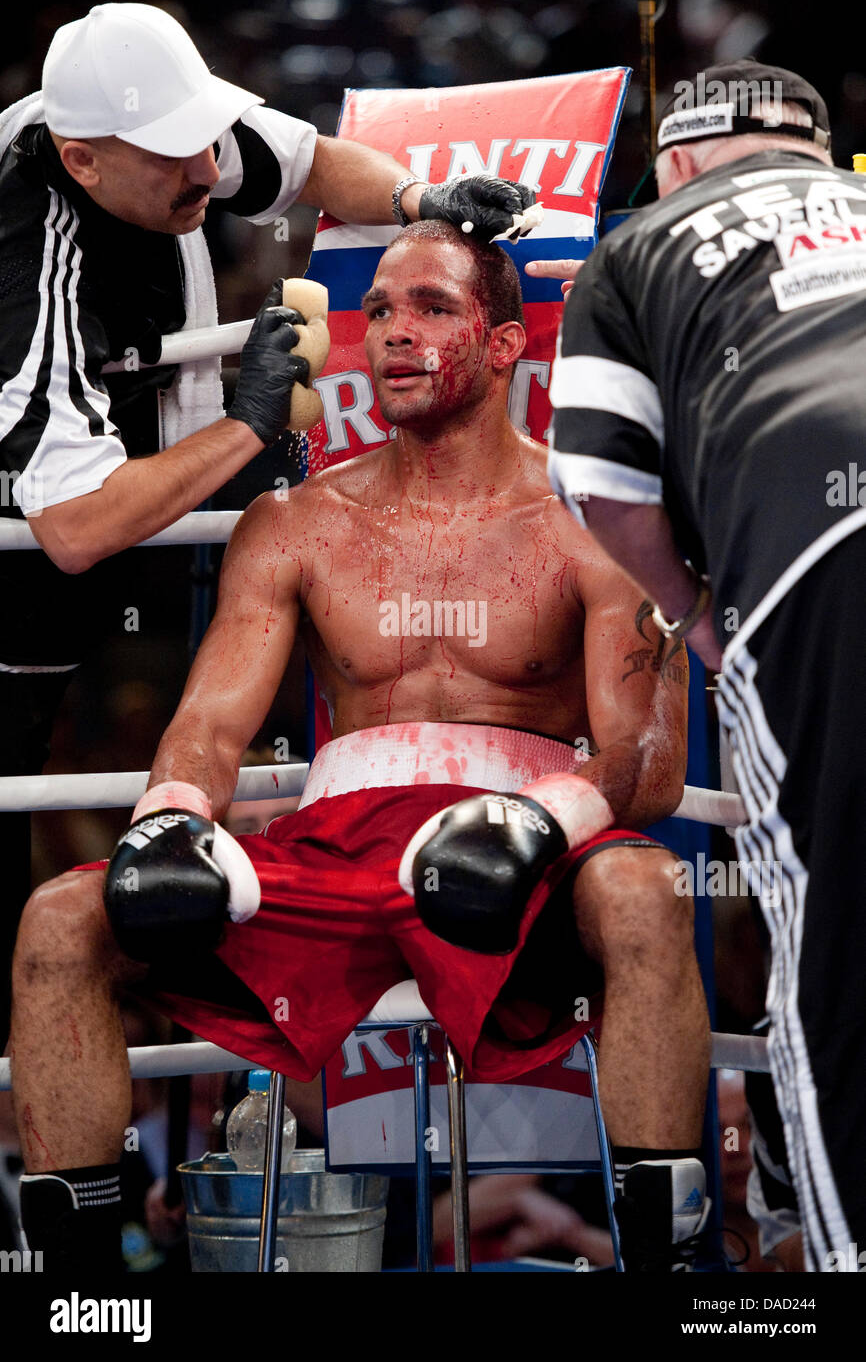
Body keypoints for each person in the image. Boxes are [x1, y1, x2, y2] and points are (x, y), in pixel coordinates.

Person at [11, 221, 710, 1274]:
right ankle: (84, 1296)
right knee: (62, 919)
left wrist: (537, 820)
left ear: (506, 341)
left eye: (430, 307)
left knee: (645, 894)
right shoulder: (293, 521)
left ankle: (673, 1278)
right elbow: (206, 726)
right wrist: (170, 820)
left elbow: (645, 764)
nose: (391, 332)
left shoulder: (587, 517)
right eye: (376, 310)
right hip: (337, 849)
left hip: (531, 853)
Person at [0, 1, 537, 1047]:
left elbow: (308, 163)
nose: (208, 169)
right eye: (175, 160)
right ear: (83, 160)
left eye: (204, 137)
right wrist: (250, 422)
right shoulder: (31, 277)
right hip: (40, 546)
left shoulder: (156, 129)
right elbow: (69, 525)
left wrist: (424, 195)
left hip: (167, 483)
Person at [544, 56, 866, 1271]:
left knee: (834, 944)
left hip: (820, 545)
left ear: (674, 166)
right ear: (818, 158)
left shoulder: (640, 246)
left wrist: (690, 612)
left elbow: (598, 476)